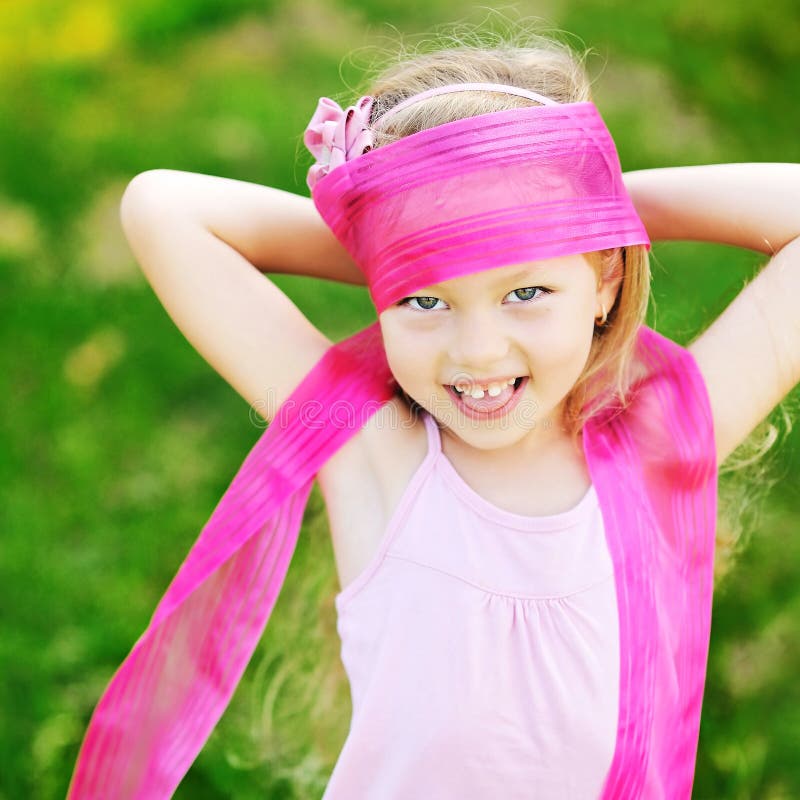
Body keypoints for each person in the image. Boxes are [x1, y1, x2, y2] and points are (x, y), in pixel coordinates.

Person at [66, 32, 800, 800]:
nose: (477, 353)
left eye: (525, 291)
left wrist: (576, 205)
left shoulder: (656, 445)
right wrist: (404, 237)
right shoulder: (379, 448)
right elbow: (163, 208)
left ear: (605, 281)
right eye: (424, 300)